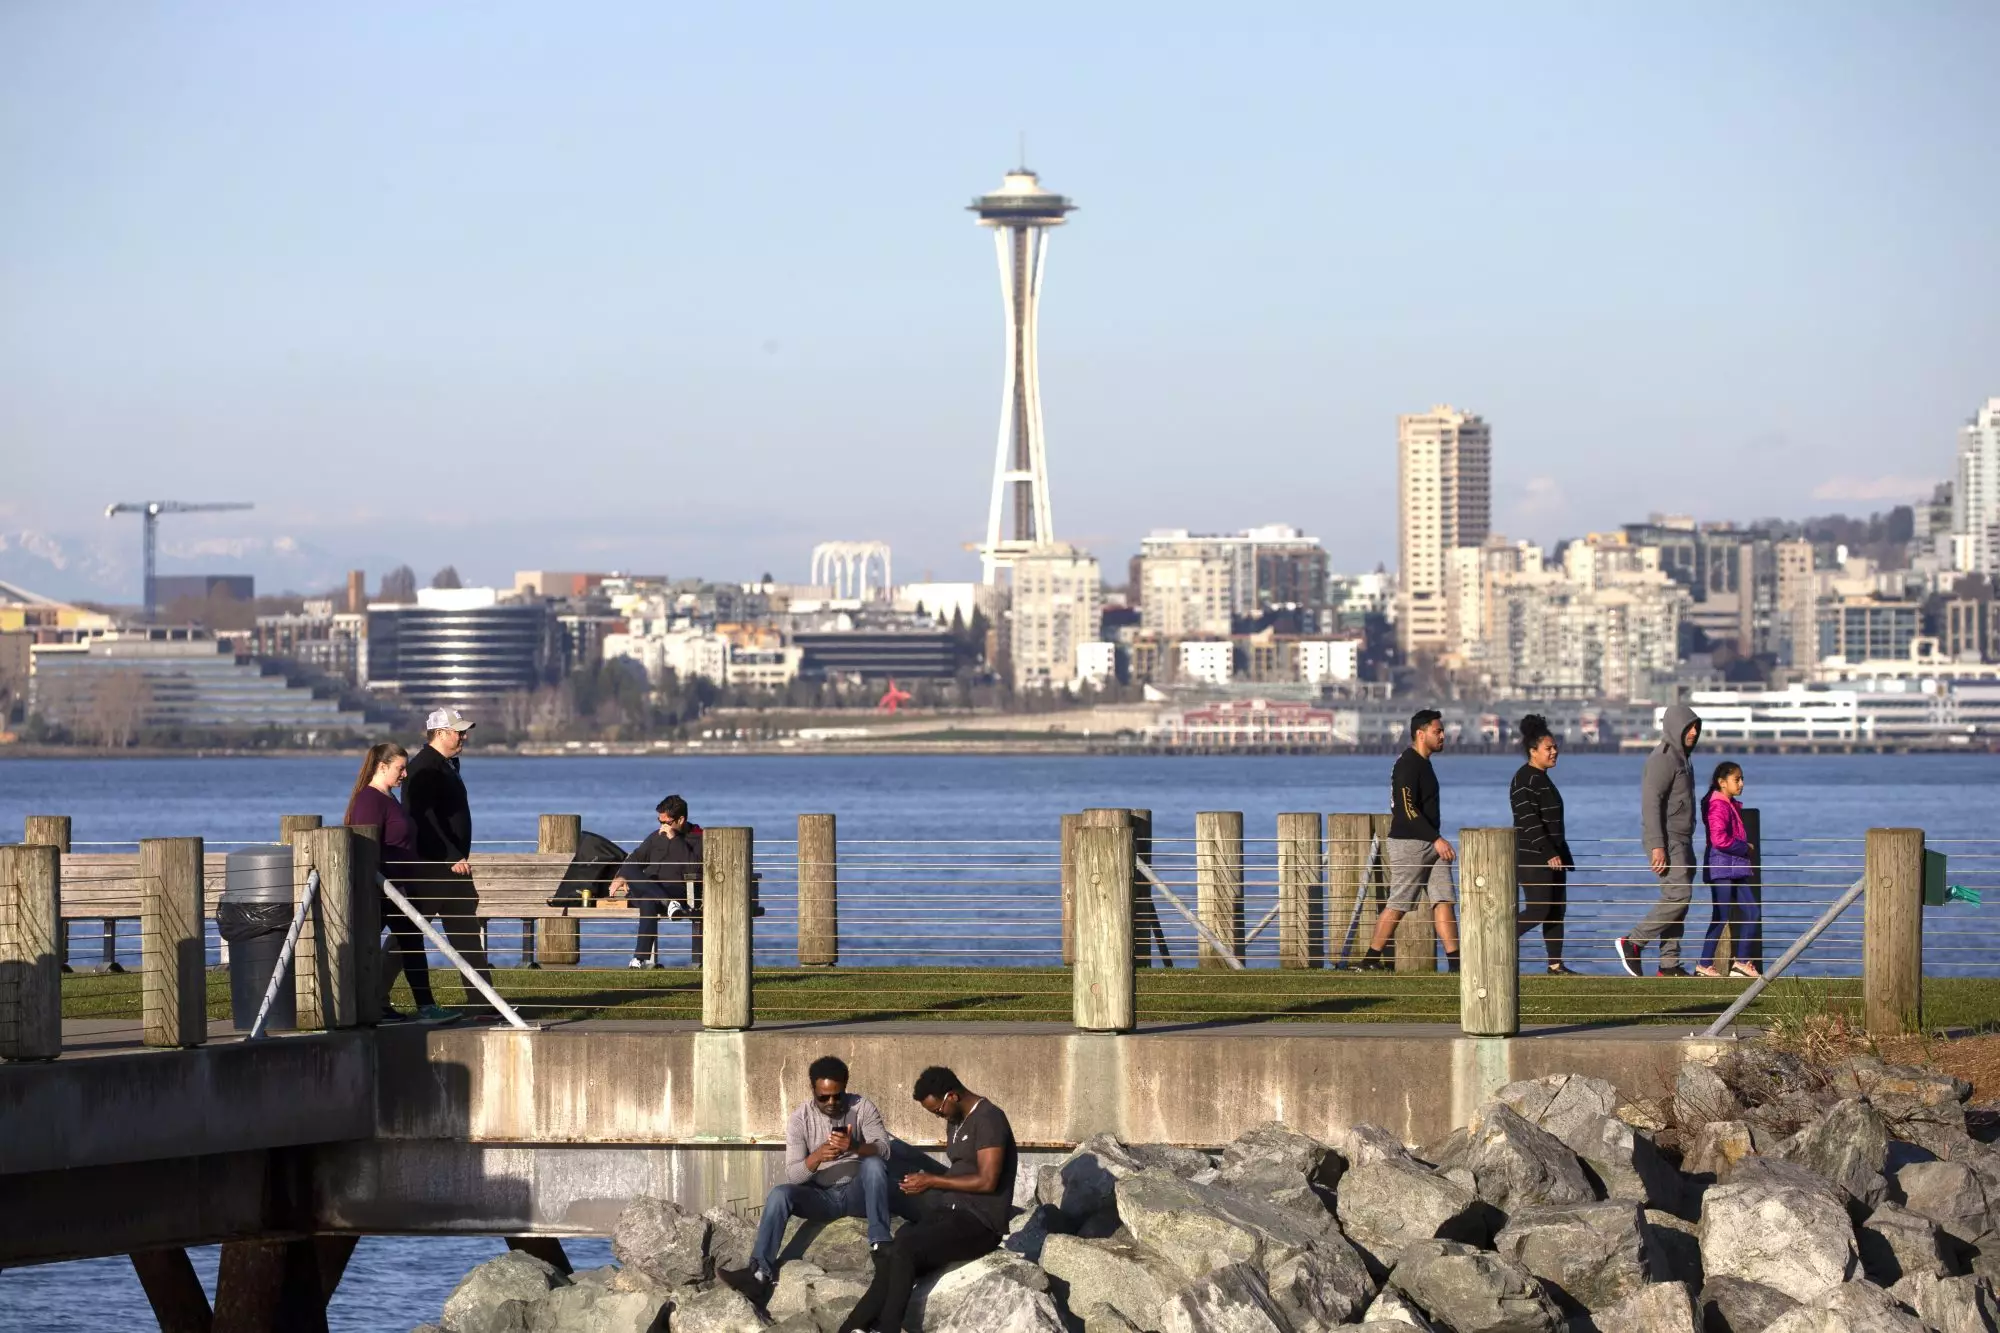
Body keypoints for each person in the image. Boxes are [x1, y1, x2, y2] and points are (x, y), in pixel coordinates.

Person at [838, 1067, 1016, 1333]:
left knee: (906, 1248)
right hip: (950, 1211)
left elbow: (987, 1181)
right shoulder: (956, 1120)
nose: (938, 1115)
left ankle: (888, 1327)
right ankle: (853, 1328)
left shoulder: (990, 1119)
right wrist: (925, 1183)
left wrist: (932, 1180)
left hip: (980, 1223)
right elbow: (960, 1172)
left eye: (938, 1110)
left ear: (952, 1095)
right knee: (895, 1250)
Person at [718, 1055, 902, 1310]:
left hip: (857, 1192)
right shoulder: (800, 1118)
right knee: (780, 1194)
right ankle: (759, 1274)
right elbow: (794, 1175)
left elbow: (885, 1151)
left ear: (845, 1087)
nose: (831, 1102)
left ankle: (880, 1243)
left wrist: (856, 1147)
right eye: (823, 1097)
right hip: (821, 1197)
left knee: (873, 1164)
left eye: (837, 1096)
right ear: (813, 1091)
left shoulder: (862, 1107)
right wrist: (815, 1158)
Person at [344, 742, 456, 1024]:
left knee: (411, 944)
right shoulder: (369, 801)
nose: (405, 775)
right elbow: (366, 845)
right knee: (377, 945)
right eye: (400, 768)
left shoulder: (388, 797)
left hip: (401, 886)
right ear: (382, 767)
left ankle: (409, 1005)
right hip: (384, 888)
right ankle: (376, 1005)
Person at [401, 708, 496, 1015]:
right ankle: (372, 993)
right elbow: (421, 818)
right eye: (458, 731)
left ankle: (485, 1002)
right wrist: (449, 855)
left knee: (466, 934)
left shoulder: (445, 765)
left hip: (453, 867)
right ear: (440, 733)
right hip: (434, 867)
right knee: (412, 933)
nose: (464, 736)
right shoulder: (424, 767)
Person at [1359, 709, 1461, 972]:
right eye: (1437, 731)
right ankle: (1369, 960)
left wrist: (1435, 841)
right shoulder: (1408, 763)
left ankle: (1456, 965)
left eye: (1442, 731)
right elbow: (1407, 808)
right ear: (1420, 733)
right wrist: (1436, 839)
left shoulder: (1424, 763)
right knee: (1399, 903)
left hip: (1431, 843)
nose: (1443, 736)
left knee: (1444, 899)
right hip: (1409, 843)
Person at [1618, 703, 1703, 978]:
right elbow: (1650, 803)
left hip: (1683, 839)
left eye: (1696, 727)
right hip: (1667, 840)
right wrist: (1657, 845)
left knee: (1678, 901)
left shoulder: (1682, 758)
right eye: (1688, 727)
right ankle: (1633, 942)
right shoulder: (1663, 758)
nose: (1693, 732)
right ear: (1674, 727)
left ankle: (1669, 964)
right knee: (1679, 895)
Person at [1509, 714, 1577, 975]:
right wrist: (1548, 852)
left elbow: (1553, 823)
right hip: (1533, 857)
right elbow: (1529, 821)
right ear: (1532, 751)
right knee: (1539, 909)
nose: (1554, 752)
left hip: (1554, 857)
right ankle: (1499, 940)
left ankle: (1555, 965)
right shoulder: (1524, 779)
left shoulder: (1542, 778)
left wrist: (1562, 854)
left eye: (1555, 747)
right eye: (1548, 748)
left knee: (1556, 910)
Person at [608, 795, 703, 969]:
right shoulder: (655, 836)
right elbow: (635, 859)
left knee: (648, 900)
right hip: (654, 891)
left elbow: (694, 869)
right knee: (630, 868)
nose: (662, 826)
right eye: (660, 821)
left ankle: (639, 959)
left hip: (675, 890)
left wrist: (674, 839)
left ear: (681, 819)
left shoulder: (697, 838)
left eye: (666, 822)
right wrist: (621, 876)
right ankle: (668, 904)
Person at [1695, 761, 1761, 979]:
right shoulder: (1718, 805)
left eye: (1742, 779)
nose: (1741, 783)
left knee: (1751, 912)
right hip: (1723, 866)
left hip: (1735, 867)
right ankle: (1705, 964)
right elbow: (1719, 839)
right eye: (1737, 779)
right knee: (1721, 916)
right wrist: (1745, 847)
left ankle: (1741, 963)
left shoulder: (1728, 803)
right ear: (1722, 783)